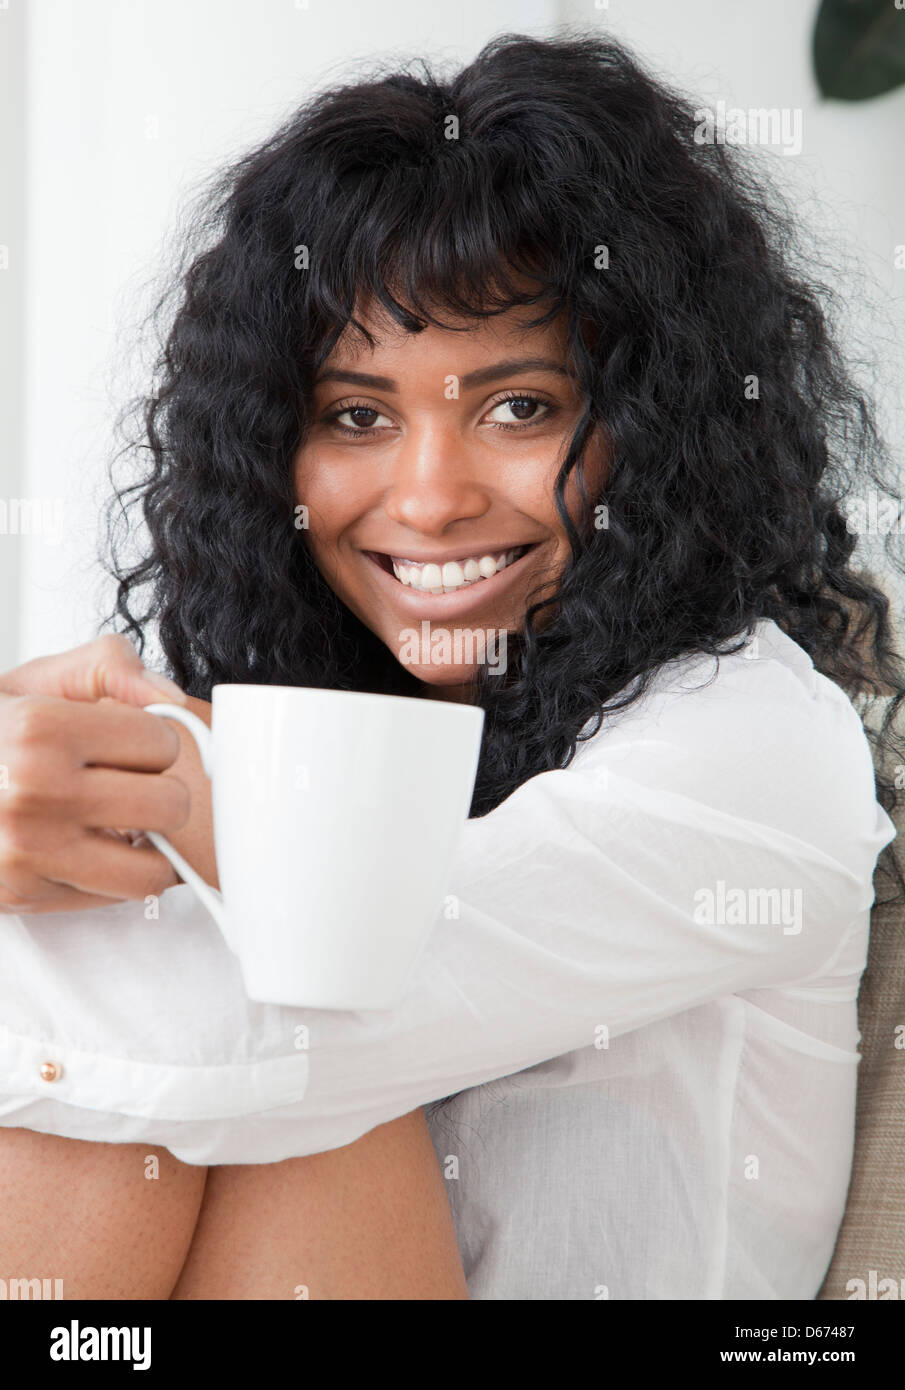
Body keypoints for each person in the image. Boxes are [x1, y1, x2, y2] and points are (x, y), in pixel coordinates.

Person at [0, 31, 901, 1300]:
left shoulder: (748, 737)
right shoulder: (327, 722)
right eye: (357, 416)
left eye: (519, 407)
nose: (425, 501)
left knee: (278, 1055)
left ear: (655, 431)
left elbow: (254, 1027)